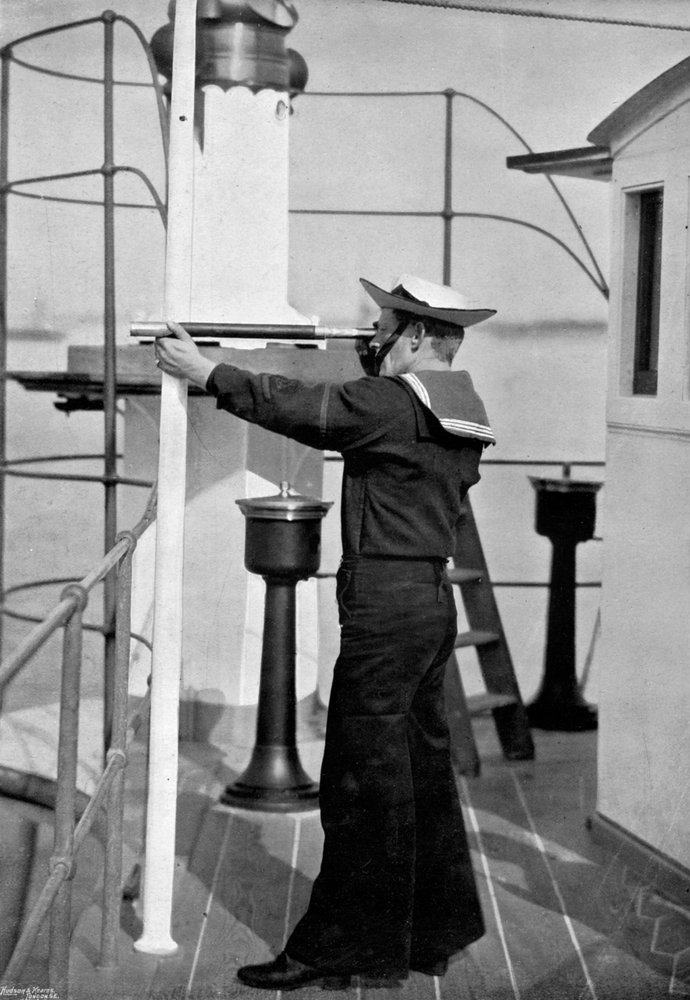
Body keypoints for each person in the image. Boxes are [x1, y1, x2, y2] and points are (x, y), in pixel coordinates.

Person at [155, 274, 496, 991]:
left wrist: (207, 372)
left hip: (383, 606)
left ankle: (340, 952)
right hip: (428, 602)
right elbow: (354, 404)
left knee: (358, 784)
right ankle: (428, 934)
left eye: (380, 328)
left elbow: (304, 407)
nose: (369, 337)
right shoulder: (458, 403)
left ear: (414, 337)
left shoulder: (388, 401)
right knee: (418, 773)